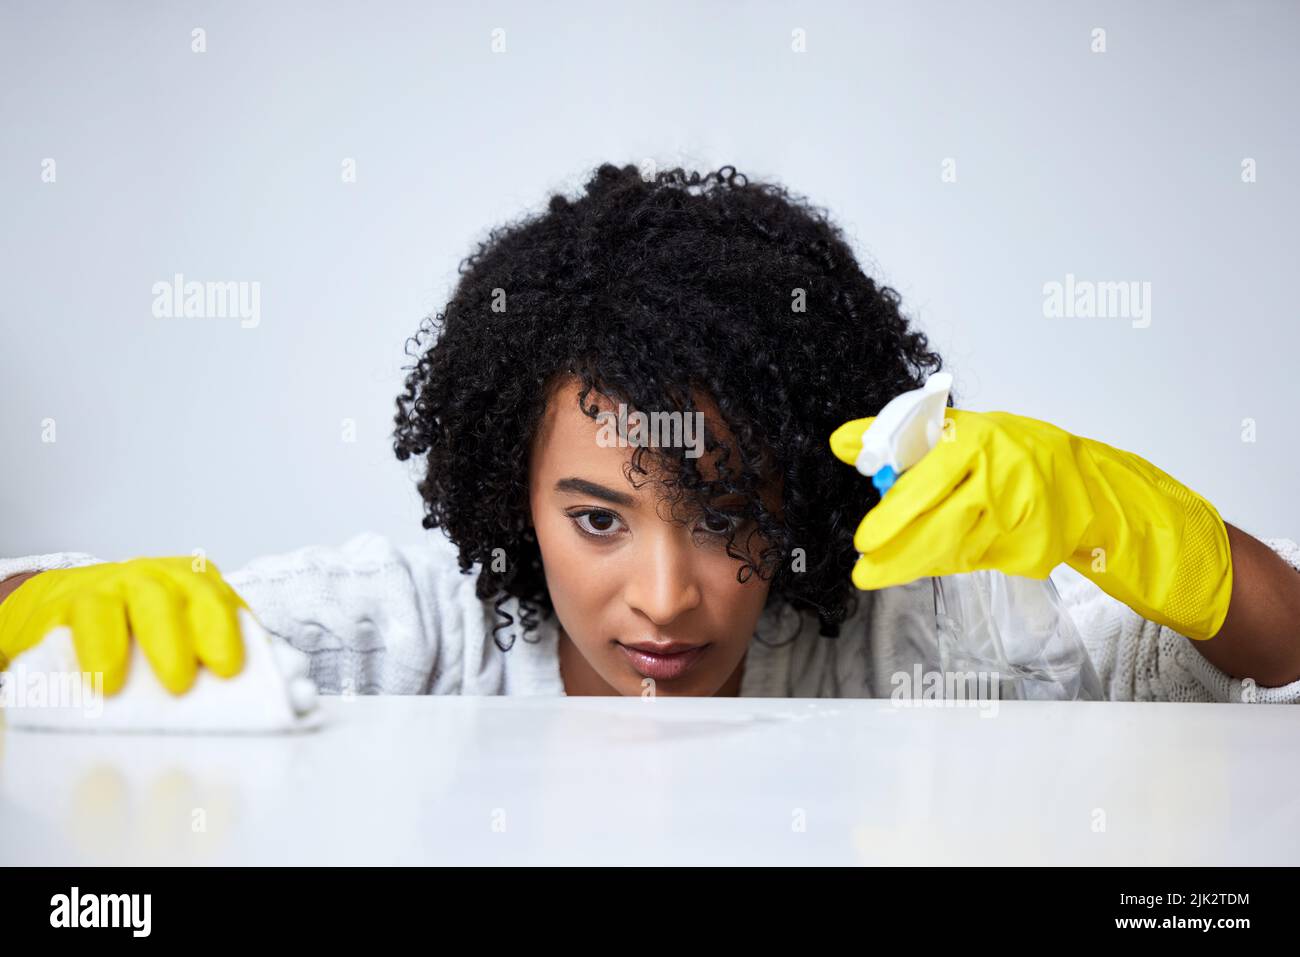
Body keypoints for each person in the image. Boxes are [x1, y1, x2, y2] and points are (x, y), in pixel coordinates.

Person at [3, 164, 1298, 702]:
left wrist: (1140, 523)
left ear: (799, 490)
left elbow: (1283, 645)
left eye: (730, 512)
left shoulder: (895, 635)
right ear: (513, 486)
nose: (667, 598)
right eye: (599, 518)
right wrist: (37, 606)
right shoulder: (438, 623)